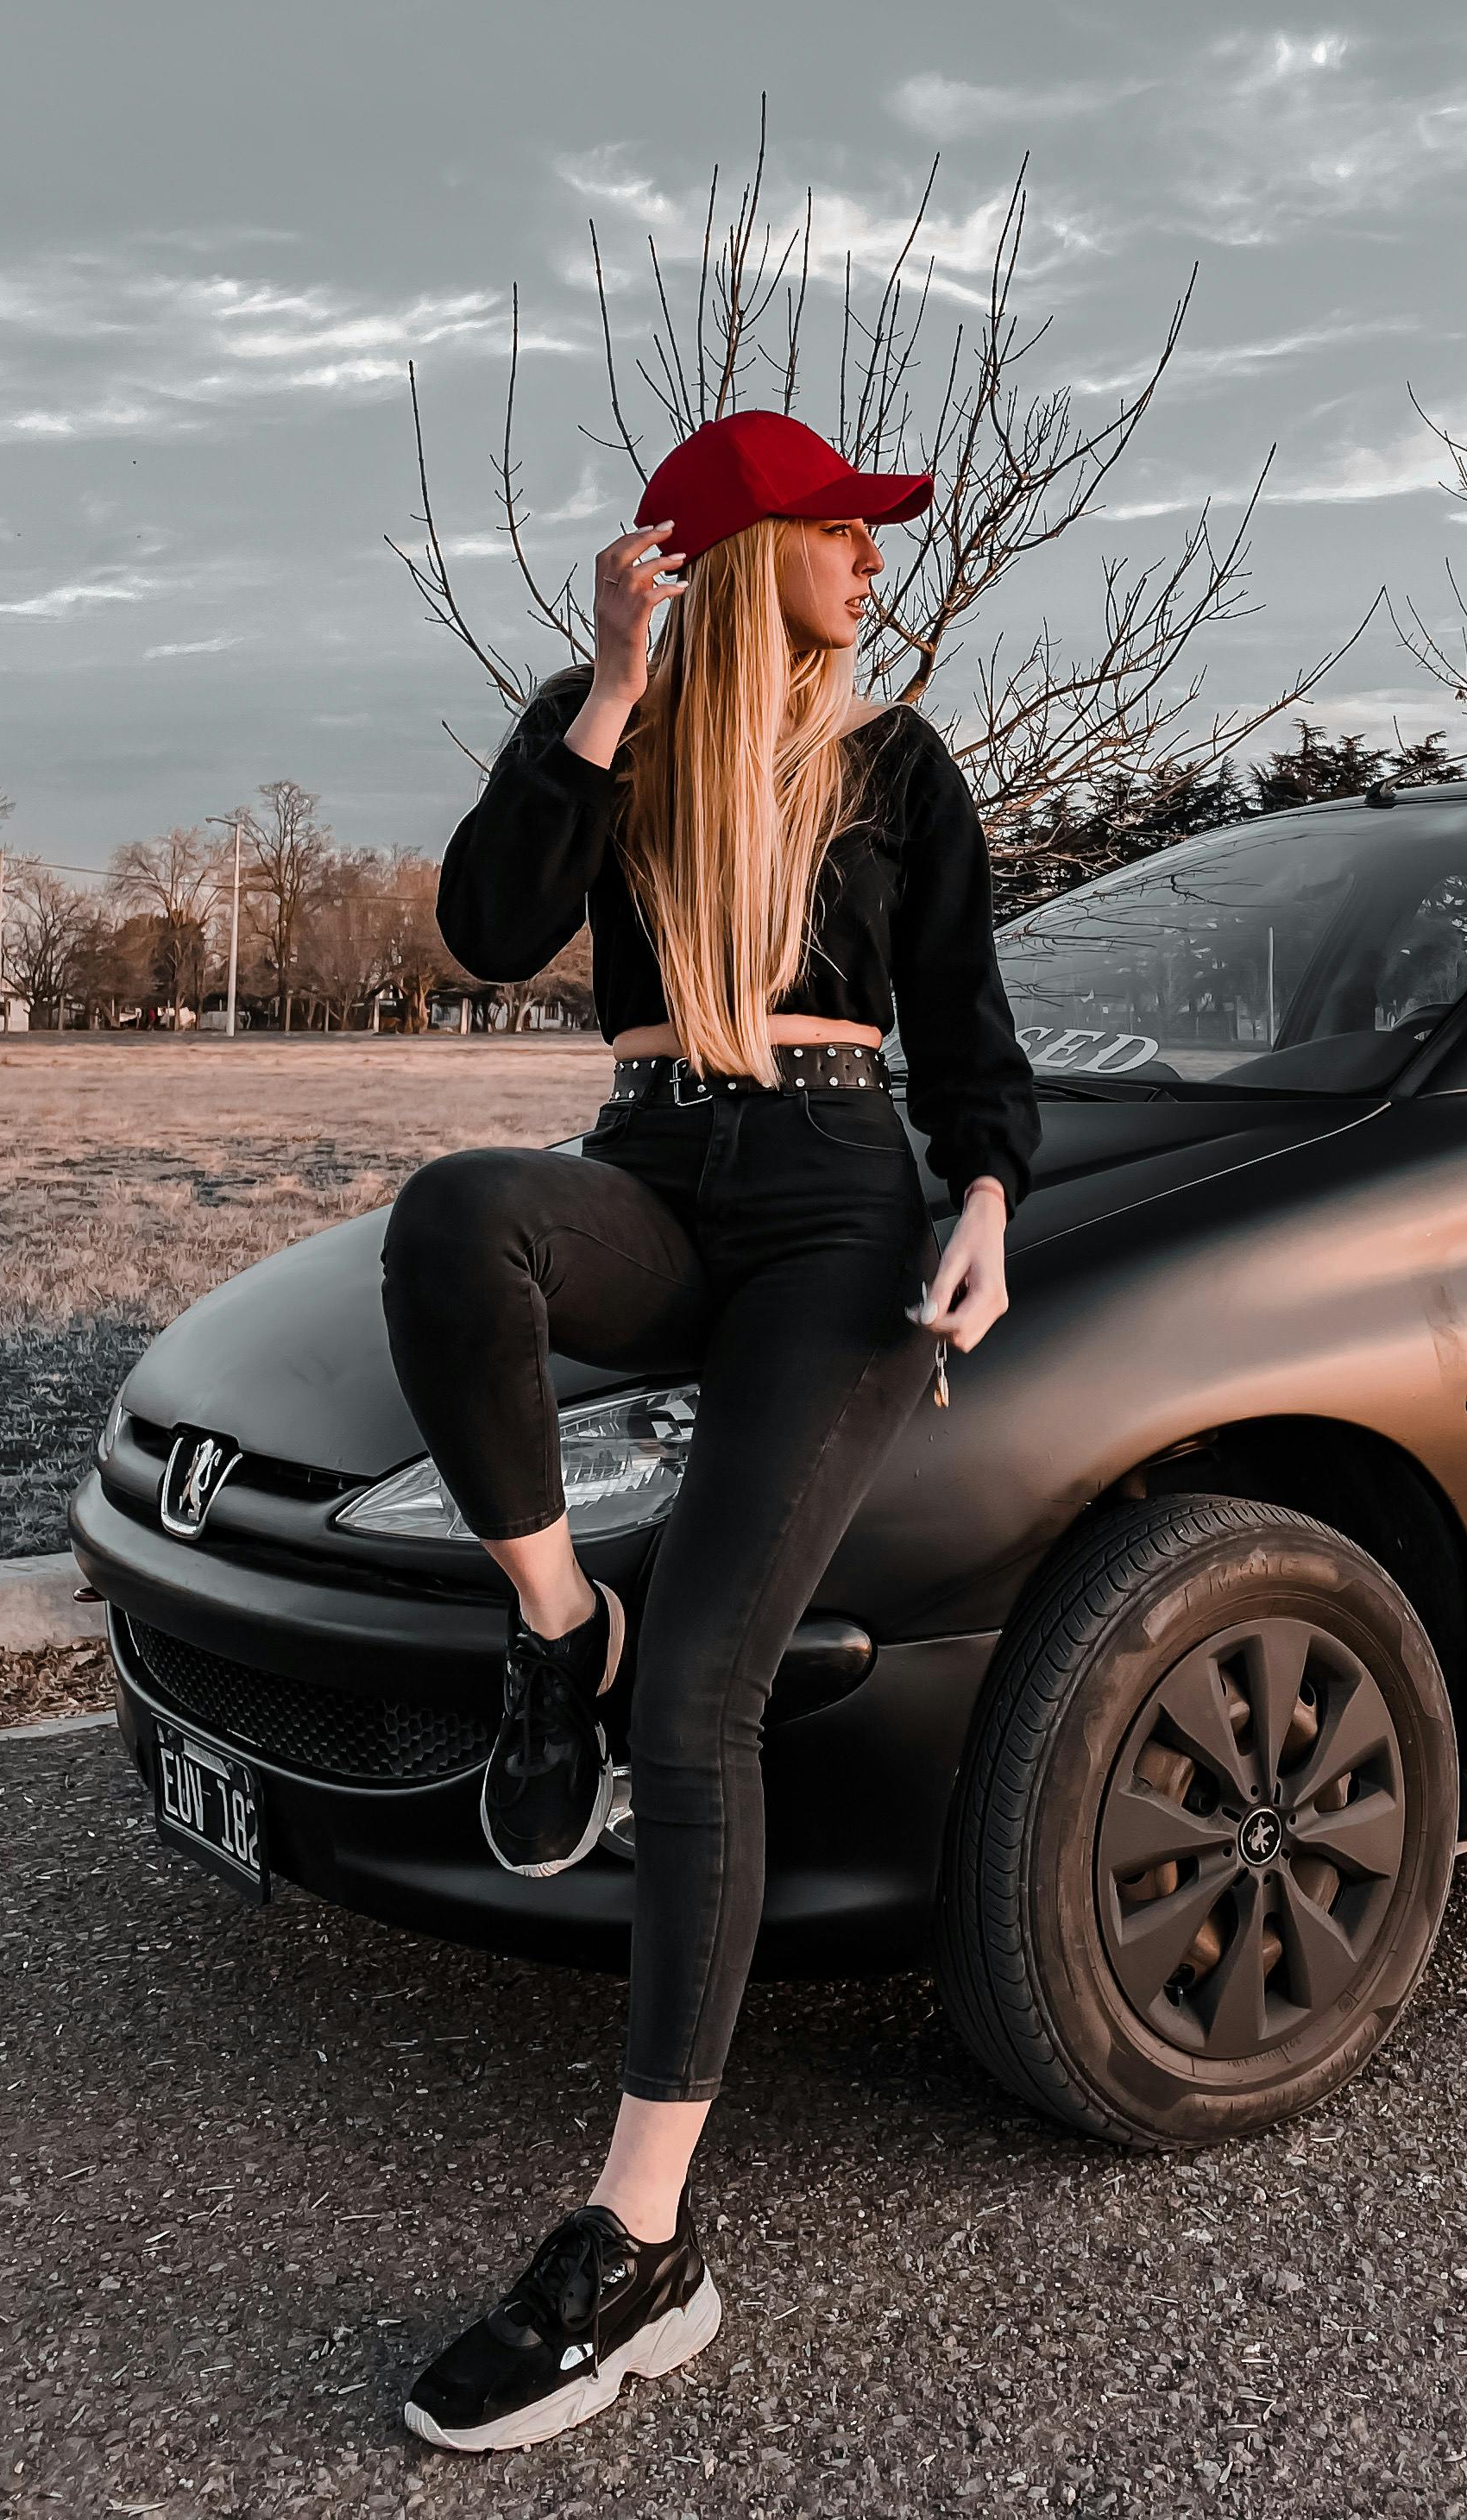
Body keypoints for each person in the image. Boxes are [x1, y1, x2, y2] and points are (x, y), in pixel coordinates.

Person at [381, 407, 1038, 2454]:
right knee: (457, 1225)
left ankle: (640, 2239)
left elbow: (967, 1026)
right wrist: (601, 686)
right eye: (843, 531)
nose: (872, 562)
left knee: (704, 1708)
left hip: (841, 1206)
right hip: (656, 1174)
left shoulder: (898, 767)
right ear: (751, 553)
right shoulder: (629, 743)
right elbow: (488, 930)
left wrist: (994, 1200)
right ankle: (550, 1620)